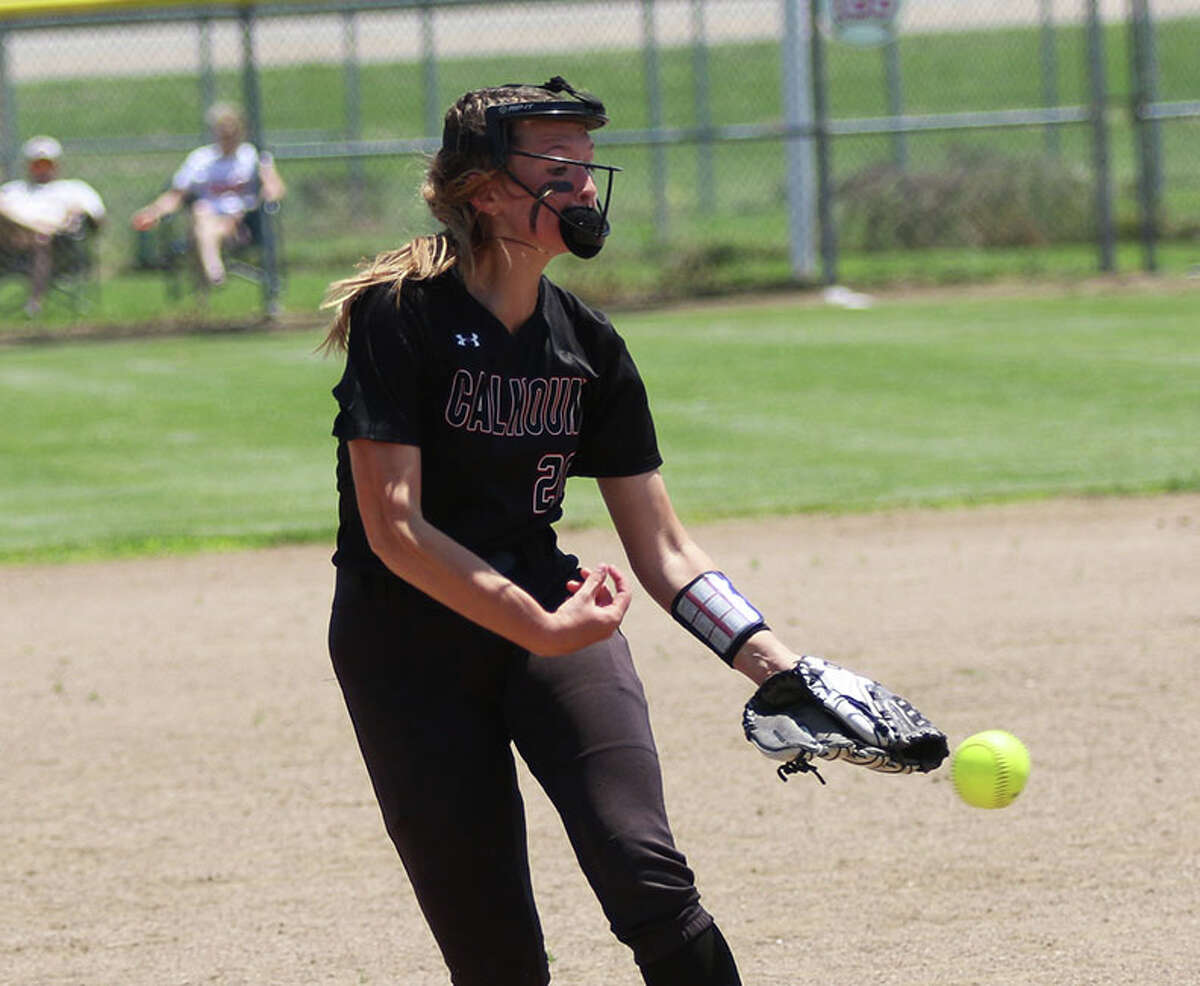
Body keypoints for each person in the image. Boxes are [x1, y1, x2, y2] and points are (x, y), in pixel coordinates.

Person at [320, 77, 807, 986]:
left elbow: (662, 547)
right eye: (556, 168)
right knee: (493, 948)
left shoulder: (589, 343)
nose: (583, 188)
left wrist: (777, 666)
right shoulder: (404, 317)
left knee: (647, 877)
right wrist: (537, 624)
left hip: (553, 621)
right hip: (407, 648)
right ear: (482, 190)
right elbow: (395, 527)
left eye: (587, 167)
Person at [131, 102, 285, 287]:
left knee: (202, 222)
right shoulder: (201, 159)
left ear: (241, 130)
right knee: (201, 212)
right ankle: (214, 271)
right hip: (207, 220)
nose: (227, 136)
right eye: (222, 130)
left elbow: (275, 188)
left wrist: (267, 192)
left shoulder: (253, 156)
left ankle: (211, 274)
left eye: (232, 130)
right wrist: (153, 212)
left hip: (243, 223)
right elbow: (176, 195)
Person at [0, 136, 106, 316]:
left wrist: (76, 215)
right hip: (9, 244)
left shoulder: (74, 189)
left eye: (46, 164)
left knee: (41, 239)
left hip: (57, 246)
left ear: (56, 164)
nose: (41, 169)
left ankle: (35, 304)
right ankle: (35, 230)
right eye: (37, 164)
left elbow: (97, 220)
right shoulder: (13, 190)